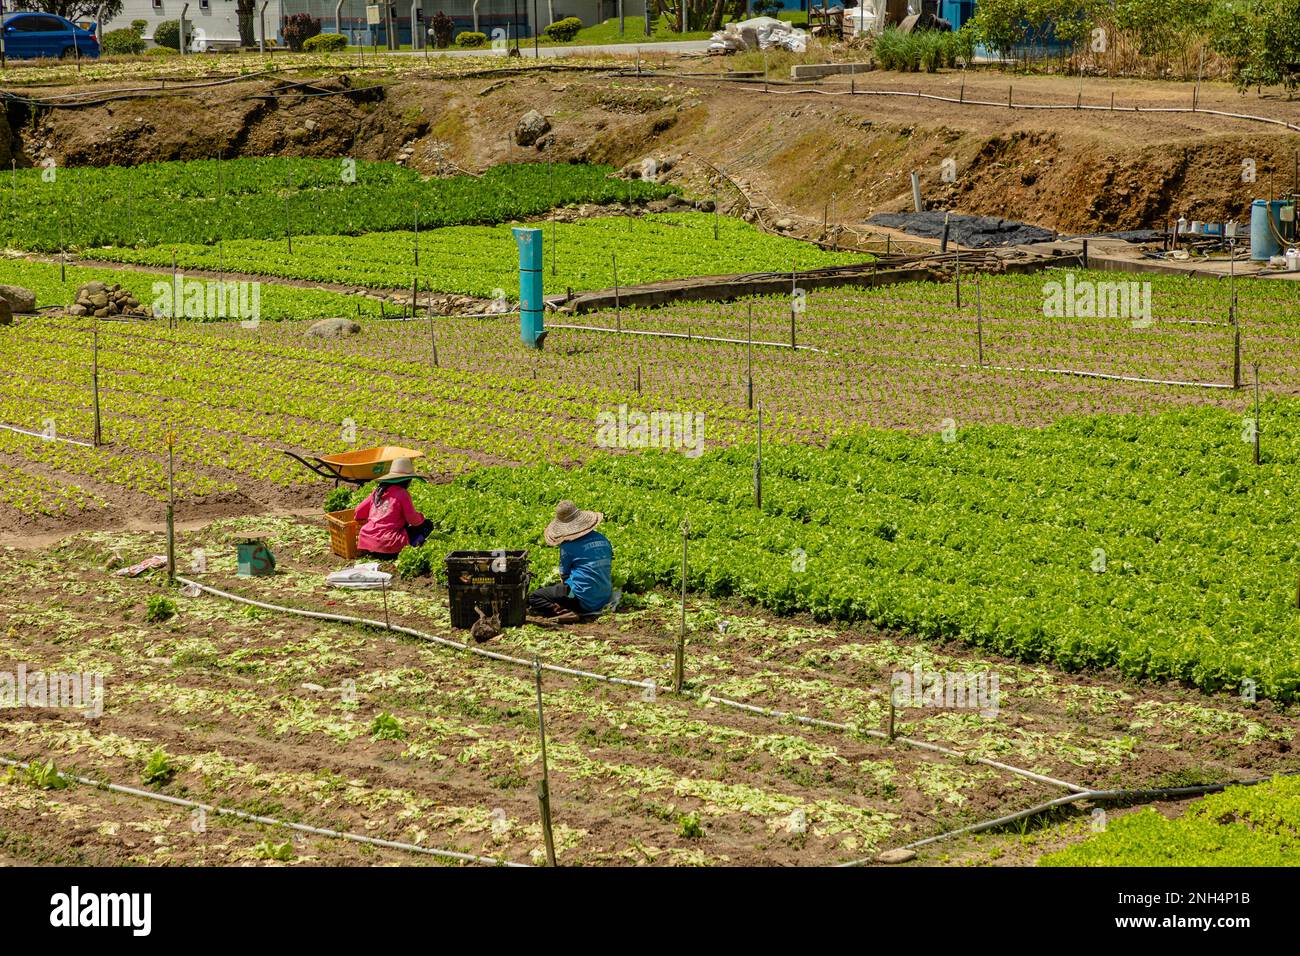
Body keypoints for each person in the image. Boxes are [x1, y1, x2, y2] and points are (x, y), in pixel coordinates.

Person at [527, 500, 613, 624]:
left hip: (583, 600)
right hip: (605, 596)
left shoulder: (568, 547)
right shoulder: (603, 539)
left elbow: (564, 575)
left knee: (534, 596)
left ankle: (565, 612)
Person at [353, 458, 433, 561]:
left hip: (367, 542)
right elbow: (413, 520)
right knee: (427, 525)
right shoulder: (402, 493)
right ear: (408, 480)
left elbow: (358, 513)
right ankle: (410, 548)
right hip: (389, 545)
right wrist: (421, 518)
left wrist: (377, 515)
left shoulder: (377, 491)